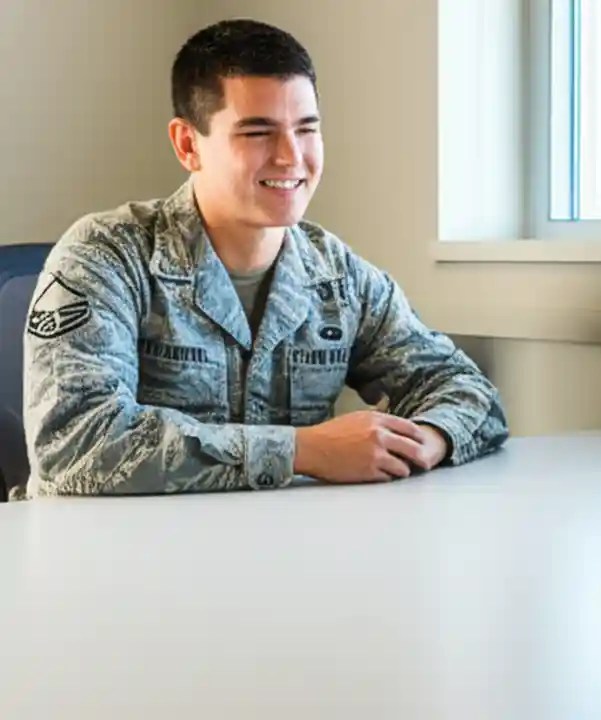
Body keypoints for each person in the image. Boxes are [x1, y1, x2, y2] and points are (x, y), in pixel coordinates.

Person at [19, 19, 508, 499]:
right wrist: (302, 451)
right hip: (110, 547)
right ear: (188, 144)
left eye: (306, 129)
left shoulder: (338, 277)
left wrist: (425, 440)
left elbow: (465, 389)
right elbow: (74, 442)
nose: (291, 156)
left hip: (282, 544)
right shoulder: (105, 255)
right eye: (258, 133)